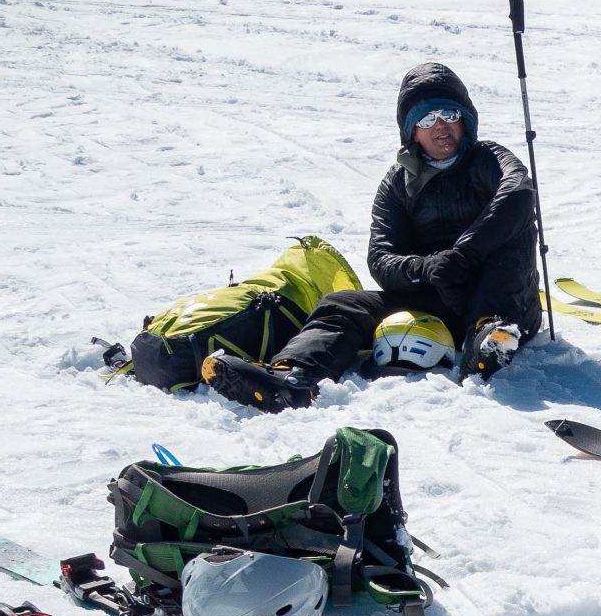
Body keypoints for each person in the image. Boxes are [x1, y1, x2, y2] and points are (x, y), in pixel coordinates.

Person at [204, 62, 541, 408]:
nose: (439, 125)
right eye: (426, 118)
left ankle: (489, 335)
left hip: (507, 305)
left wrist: (466, 253)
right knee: (341, 304)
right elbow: (381, 257)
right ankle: (291, 377)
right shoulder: (397, 184)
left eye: (449, 113)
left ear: (465, 120)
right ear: (411, 131)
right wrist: (426, 268)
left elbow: (518, 192)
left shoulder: (488, 158)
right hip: (438, 299)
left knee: (513, 225)